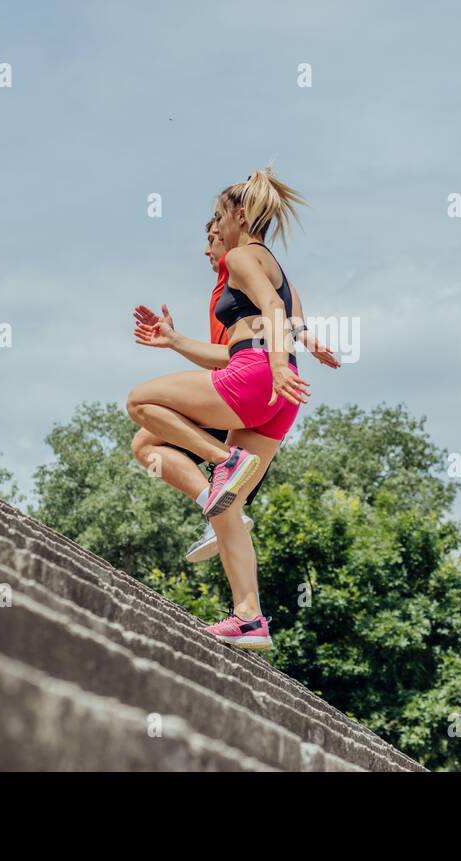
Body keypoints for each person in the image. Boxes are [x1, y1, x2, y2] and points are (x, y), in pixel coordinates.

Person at [126, 166, 336, 650]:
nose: (213, 228)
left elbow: (274, 318)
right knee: (228, 507)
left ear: (241, 215)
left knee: (139, 402)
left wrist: (279, 363)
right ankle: (249, 617)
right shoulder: (274, 266)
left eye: (219, 216)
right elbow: (281, 324)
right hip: (277, 392)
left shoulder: (242, 257)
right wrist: (178, 341)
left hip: (262, 376)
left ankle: (225, 462)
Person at [130, 217, 259, 564]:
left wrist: (176, 341)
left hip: (242, 397)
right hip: (230, 391)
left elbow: (246, 352)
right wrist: (175, 341)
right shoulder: (224, 287)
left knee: (142, 414)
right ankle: (218, 508)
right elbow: (228, 354)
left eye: (214, 239)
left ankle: (226, 466)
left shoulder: (242, 280)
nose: (207, 249)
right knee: (145, 443)